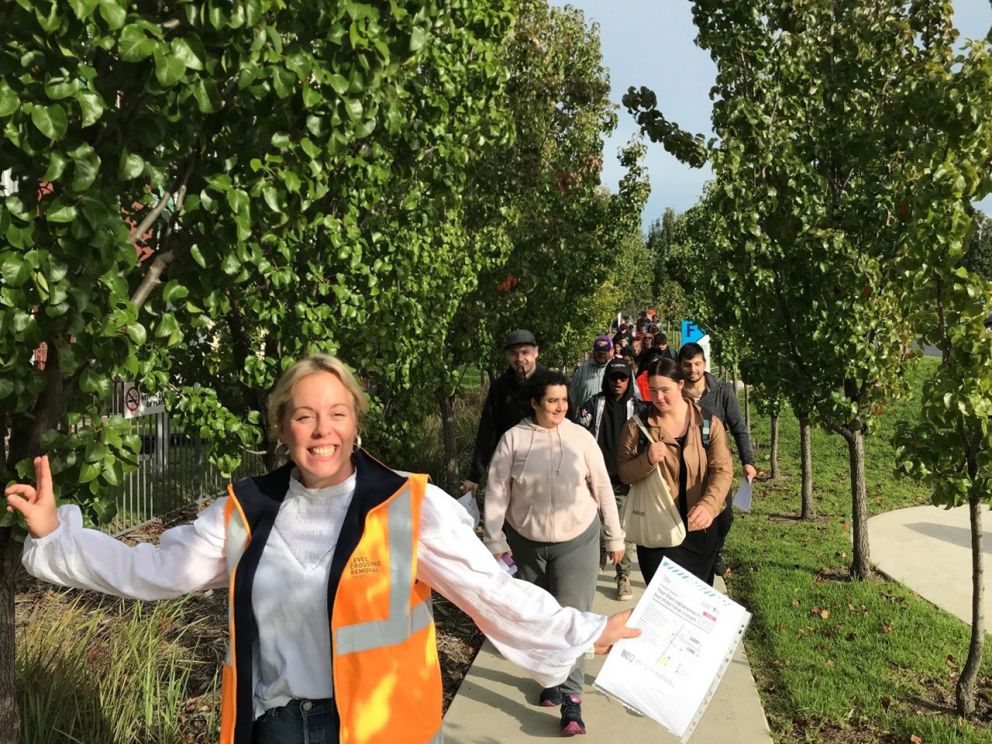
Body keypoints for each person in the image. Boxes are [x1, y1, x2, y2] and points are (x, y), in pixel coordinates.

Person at [7, 354, 639, 744]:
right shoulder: (246, 508)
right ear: (283, 425)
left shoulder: (407, 504)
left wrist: (585, 629)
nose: (322, 430)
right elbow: (157, 570)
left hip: (385, 731)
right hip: (278, 728)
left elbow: (489, 593)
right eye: (305, 415)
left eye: (337, 414)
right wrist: (57, 538)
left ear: (356, 421)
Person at [485, 369, 626, 737]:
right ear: (535, 403)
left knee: (575, 620)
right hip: (526, 543)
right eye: (552, 401)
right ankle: (550, 676)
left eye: (564, 400)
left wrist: (615, 536)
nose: (561, 407)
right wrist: (496, 540)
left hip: (577, 539)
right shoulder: (513, 440)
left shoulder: (579, 438)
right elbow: (497, 491)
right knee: (541, 618)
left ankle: (572, 701)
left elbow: (603, 487)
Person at [617, 357, 733, 586]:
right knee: (664, 606)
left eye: (665, 390)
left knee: (697, 607)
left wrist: (709, 505)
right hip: (657, 530)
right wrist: (647, 459)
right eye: (652, 391)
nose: (659, 398)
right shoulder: (636, 427)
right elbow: (624, 472)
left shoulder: (708, 423)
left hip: (700, 529)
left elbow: (723, 470)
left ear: (681, 384)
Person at [678, 342, 757, 575]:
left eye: (697, 364)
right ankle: (689, 559)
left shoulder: (722, 391)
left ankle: (716, 551)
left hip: (716, 467)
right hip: (685, 467)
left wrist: (748, 461)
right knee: (686, 517)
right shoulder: (676, 394)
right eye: (687, 365)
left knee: (724, 518)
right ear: (680, 366)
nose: (693, 369)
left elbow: (739, 427)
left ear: (704, 363)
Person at [577, 358, 643, 601]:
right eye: (614, 377)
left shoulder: (638, 408)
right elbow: (579, 433)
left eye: (623, 378)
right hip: (592, 478)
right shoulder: (593, 404)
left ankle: (623, 576)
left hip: (622, 480)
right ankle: (597, 557)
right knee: (592, 526)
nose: (618, 382)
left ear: (629, 380)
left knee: (620, 529)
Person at [461, 329, 543, 497]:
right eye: (513, 354)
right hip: (510, 467)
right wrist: (475, 475)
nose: (519, 359)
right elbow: (488, 430)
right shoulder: (500, 388)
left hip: (546, 465)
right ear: (507, 356)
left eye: (525, 352)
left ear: (536, 352)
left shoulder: (550, 383)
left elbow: (569, 426)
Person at [568, 335, 614, 418]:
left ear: (610, 352)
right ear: (593, 352)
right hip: (585, 420)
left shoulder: (615, 369)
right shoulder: (582, 370)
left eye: (604, 353)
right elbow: (572, 399)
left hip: (607, 420)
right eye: (599, 352)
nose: (601, 355)